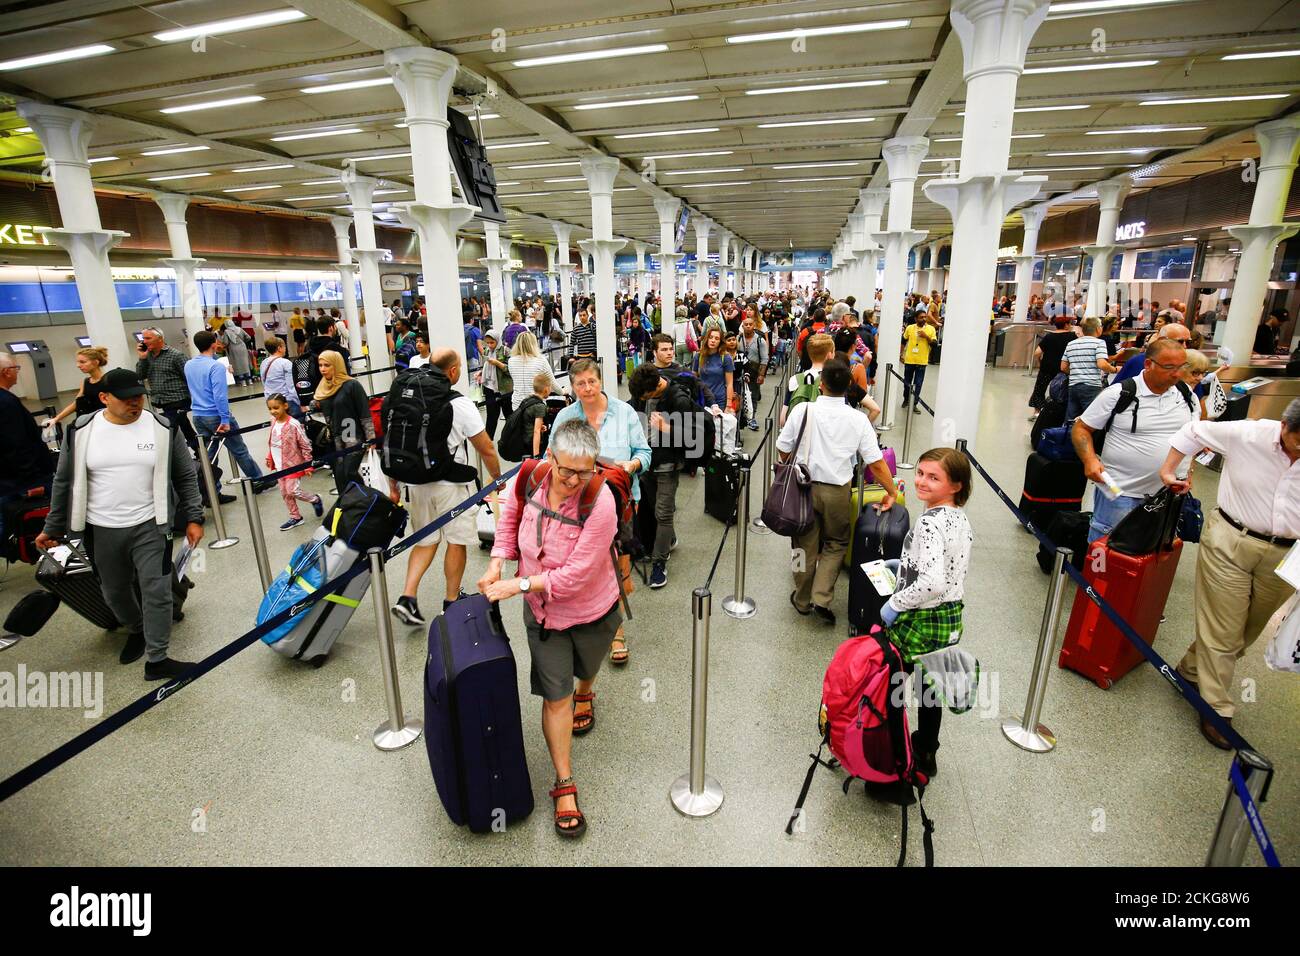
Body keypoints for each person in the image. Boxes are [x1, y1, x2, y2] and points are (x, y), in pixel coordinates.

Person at [479, 419, 623, 839]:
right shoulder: (530, 476)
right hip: (544, 616)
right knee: (555, 696)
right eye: (567, 470)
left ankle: (587, 690)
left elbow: (578, 574)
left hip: (594, 608)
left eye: (586, 470)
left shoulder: (601, 501)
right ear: (550, 458)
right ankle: (564, 783)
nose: (576, 479)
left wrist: (518, 583)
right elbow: (509, 522)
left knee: (587, 665)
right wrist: (496, 562)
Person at [36, 368, 204, 680]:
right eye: (126, 398)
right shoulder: (81, 431)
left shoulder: (162, 428)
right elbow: (64, 482)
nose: (135, 403)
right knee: (113, 591)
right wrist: (52, 526)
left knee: (156, 590)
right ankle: (137, 628)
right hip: (99, 529)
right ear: (103, 398)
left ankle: (157, 658)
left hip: (152, 525)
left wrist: (194, 516)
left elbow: (185, 475)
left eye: (139, 396)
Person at [1160, 399, 1300, 748]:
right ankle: (1216, 708)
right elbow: (1193, 430)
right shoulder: (1248, 434)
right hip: (1230, 540)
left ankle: (1191, 670)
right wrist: (1170, 470)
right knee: (1223, 628)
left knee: (1248, 631)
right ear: (1285, 426)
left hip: (1286, 555)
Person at [778, 357, 897, 625]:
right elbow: (876, 462)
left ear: (821, 384)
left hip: (802, 489)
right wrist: (890, 490)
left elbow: (783, 448)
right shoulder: (857, 419)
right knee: (836, 543)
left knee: (801, 546)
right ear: (849, 387)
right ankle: (822, 597)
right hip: (837, 491)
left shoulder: (803, 411)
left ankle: (801, 597)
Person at [879, 447, 974, 778]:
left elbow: (932, 583)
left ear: (956, 485)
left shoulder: (930, 523)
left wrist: (895, 603)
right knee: (929, 686)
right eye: (920, 473)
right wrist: (905, 566)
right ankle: (926, 750)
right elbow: (948, 570)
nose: (922, 481)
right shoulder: (959, 518)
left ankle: (889, 743)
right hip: (949, 615)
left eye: (934, 477)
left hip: (921, 615)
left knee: (892, 678)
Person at [390, 350, 502, 626]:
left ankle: (407, 597)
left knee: (425, 541)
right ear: (452, 371)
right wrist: (497, 478)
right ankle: (451, 600)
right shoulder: (458, 403)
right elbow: (485, 447)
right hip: (450, 483)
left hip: (415, 481)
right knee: (456, 541)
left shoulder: (409, 392)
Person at [553, 359, 650, 667]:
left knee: (618, 570)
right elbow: (550, 456)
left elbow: (644, 453)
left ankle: (616, 631)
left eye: (592, 382)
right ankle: (584, 622)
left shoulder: (624, 413)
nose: (587, 388)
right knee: (584, 567)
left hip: (619, 503)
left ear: (601, 380)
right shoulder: (566, 417)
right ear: (572, 386)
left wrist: (630, 466)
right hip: (576, 506)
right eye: (580, 384)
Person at [1071, 337, 1198, 544]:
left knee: (1156, 547)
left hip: (1168, 494)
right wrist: (1090, 460)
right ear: (1148, 364)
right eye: (1169, 367)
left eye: (1181, 367)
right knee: (1110, 545)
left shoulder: (1186, 395)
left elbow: (1191, 437)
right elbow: (1081, 428)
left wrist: (1188, 470)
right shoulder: (1119, 394)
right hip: (1121, 491)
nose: (1176, 373)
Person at [627, 363, 698, 589]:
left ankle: (660, 563)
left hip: (668, 463)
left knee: (664, 513)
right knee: (656, 507)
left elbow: (692, 438)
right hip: (646, 462)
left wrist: (666, 428)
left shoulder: (679, 399)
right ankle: (669, 539)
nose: (642, 399)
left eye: (645, 396)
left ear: (656, 387)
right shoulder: (642, 394)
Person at [185, 330, 265, 485]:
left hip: (198, 415)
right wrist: (225, 419)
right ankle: (258, 479)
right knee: (239, 450)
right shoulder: (216, 368)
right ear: (214, 344)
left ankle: (209, 486)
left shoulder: (189, 364)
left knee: (209, 453)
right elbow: (220, 396)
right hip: (216, 416)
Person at [0, 354, 55, 543]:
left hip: (8, 479)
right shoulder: (5, 402)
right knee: (27, 528)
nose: (17, 372)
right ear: (6, 372)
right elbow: (16, 444)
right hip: (19, 482)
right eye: (16, 368)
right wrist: (32, 481)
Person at [309, 350, 373, 496]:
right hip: (333, 437)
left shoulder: (352, 385)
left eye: (327, 365)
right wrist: (315, 404)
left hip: (351, 433)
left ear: (336, 365)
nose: (323, 369)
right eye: (320, 365)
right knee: (339, 476)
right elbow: (318, 406)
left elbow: (364, 412)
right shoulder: (323, 386)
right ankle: (348, 506)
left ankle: (363, 501)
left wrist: (371, 438)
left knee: (349, 472)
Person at [264, 393, 322, 531]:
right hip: (278, 465)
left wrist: (308, 465)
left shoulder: (293, 424)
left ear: (285, 406)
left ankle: (315, 499)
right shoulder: (273, 421)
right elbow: (273, 442)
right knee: (284, 492)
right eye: (270, 409)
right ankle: (295, 517)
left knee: (292, 490)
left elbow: (305, 445)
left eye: (276, 408)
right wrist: (269, 456)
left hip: (293, 464)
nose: (273, 411)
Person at [135, 328, 199, 451]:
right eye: (144, 339)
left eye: (148, 338)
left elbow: (189, 377)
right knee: (184, 426)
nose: (145, 341)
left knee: (169, 429)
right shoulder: (147, 356)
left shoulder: (176, 355)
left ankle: (175, 456)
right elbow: (140, 375)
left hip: (177, 399)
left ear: (160, 339)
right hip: (161, 400)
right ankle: (200, 449)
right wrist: (142, 358)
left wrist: (195, 398)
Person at [1061, 317, 1118, 420]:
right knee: (1091, 419)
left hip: (1073, 386)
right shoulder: (1099, 343)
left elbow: (1063, 367)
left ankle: (1069, 435)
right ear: (1097, 329)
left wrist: (1076, 372)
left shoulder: (1071, 343)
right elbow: (1102, 364)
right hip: (1091, 386)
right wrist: (1115, 369)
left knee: (1071, 419)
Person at [50, 346, 109, 427]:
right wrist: (56, 419)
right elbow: (76, 404)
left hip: (102, 424)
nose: (78, 365)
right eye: (78, 362)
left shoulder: (108, 381)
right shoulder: (85, 382)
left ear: (95, 362)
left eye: (82, 362)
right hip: (86, 423)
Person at [1113, 322, 1190, 382]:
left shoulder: (1191, 363)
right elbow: (1117, 391)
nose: (1185, 346)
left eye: (1188, 342)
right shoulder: (1138, 361)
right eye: (1180, 341)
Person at [509, 331, 563, 410]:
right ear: (533, 344)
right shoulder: (541, 360)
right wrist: (562, 392)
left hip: (517, 405)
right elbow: (552, 383)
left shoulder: (511, 361)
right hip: (536, 406)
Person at [479, 331, 513, 438]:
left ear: (497, 341)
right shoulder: (486, 351)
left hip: (505, 389)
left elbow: (510, 370)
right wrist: (480, 373)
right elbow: (485, 367)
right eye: (487, 343)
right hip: (490, 389)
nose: (489, 345)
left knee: (509, 416)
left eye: (492, 342)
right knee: (491, 418)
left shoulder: (506, 351)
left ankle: (511, 440)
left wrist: (497, 363)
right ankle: (488, 442)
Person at [738, 312, 769, 430]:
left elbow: (765, 358)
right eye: (746, 324)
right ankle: (742, 418)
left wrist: (761, 375)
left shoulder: (760, 340)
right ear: (743, 326)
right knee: (741, 394)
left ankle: (752, 418)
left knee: (753, 395)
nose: (748, 326)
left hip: (755, 371)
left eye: (750, 324)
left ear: (754, 326)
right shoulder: (738, 338)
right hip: (741, 371)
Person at [694, 326, 734, 417]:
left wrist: (728, 404)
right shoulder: (698, 356)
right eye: (711, 337)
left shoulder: (726, 357)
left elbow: (730, 383)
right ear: (706, 339)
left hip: (719, 399)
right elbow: (693, 379)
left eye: (716, 338)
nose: (713, 340)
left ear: (720, 341)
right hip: (702, 399)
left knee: (718, 429)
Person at [260, 336, 300, 418]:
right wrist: (299, 402)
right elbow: (291, 386)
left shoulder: (263, 363)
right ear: (279, 348)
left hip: (271, 400)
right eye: (284, 346)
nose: (285, 348)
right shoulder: (285, 363)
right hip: (286, 400)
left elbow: (264, 382)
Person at [220, 319, 255, 386]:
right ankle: (250, 381)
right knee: (245, 364)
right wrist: (242, 341)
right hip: (243, 347)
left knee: (238, 365)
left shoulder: (226, 331)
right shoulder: (240, 329)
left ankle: (243, 382)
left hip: (234, 349)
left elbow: (226, 342)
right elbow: (248, 337)